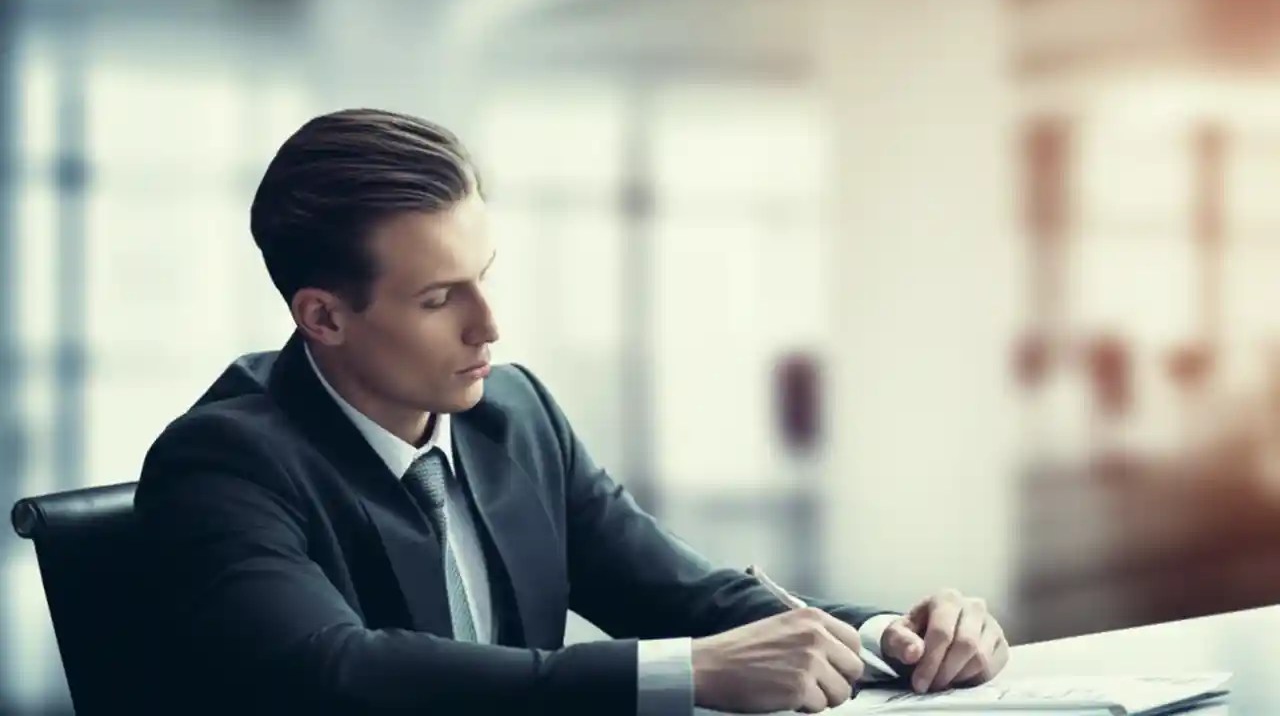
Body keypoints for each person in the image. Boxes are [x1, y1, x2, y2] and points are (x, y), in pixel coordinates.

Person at [135, 108, 1008, 715]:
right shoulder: (221, 462)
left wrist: (889, 640)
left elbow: (679, 592)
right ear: (323, 316)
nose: (491, 325)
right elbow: (336, 673)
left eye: (487, 274)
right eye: (441, 297)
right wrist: (689, 675)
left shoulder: (511, 414)